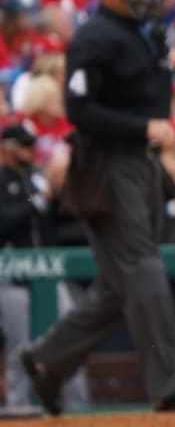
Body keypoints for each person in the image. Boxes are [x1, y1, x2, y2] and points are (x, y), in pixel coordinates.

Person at [22, 0, 175, 414]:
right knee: (143, 269)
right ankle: (169, 387)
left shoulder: (144, 33)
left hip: (142, 165)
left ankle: (47, 359)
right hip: (108, 165)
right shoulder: (93, 37)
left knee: (118, 285)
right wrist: (142, 127)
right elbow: (80, 110)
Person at [0, 125, 88, 410]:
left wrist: (61, 189)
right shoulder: (6, 181)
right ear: (8, 147)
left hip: (49, 273)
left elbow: (62, 220)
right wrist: (37, 199)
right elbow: (6, 219)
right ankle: (20, 409)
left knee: (71, 341)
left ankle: (78, 410)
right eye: (24, 146)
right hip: (12, 276)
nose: (31, 150)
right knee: (21, 348)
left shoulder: (36, 178)